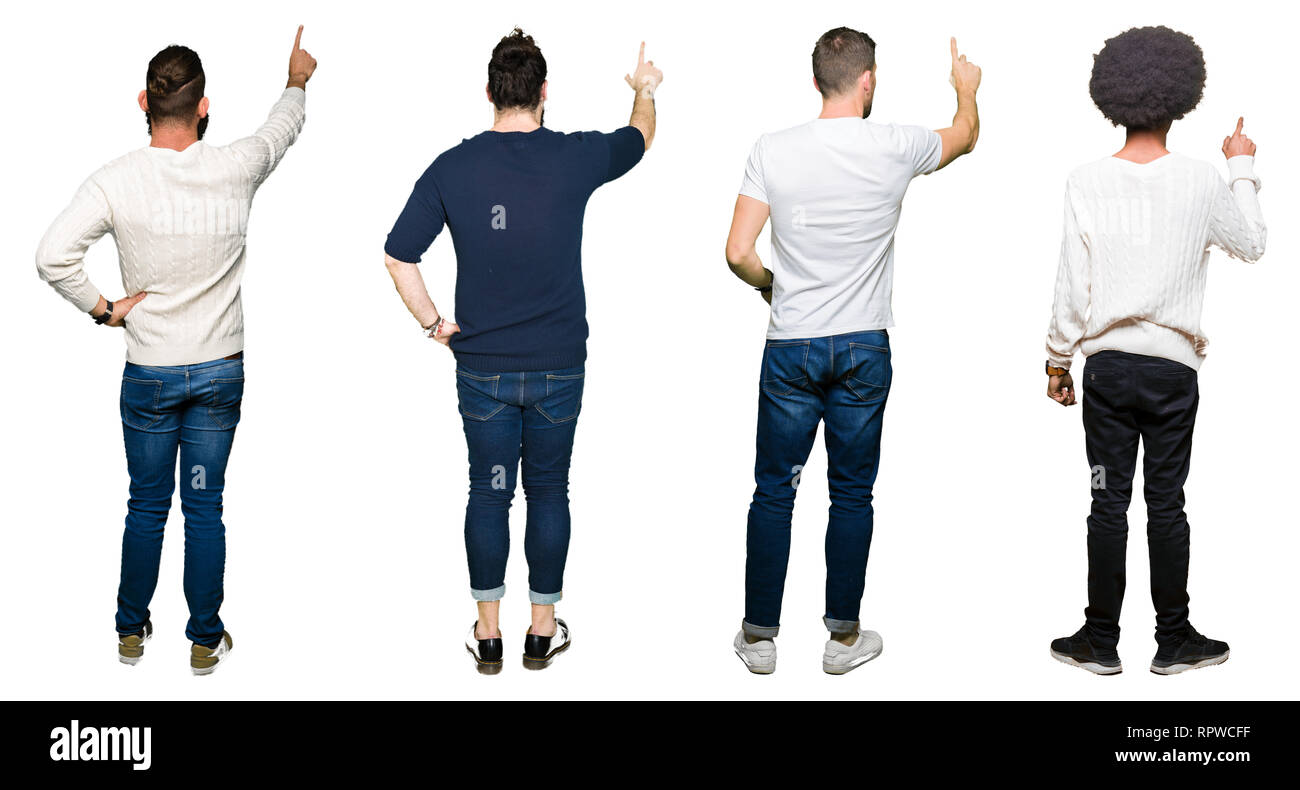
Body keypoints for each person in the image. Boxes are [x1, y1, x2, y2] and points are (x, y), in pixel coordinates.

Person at [35, 27, 317, 676]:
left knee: (146, 504)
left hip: (151, 377)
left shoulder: (115, 181)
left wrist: (104, 309)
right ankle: (203, 638)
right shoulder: (238, 164)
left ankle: (130, 633)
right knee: (204, 506)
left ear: (143, 102)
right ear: (205, 106)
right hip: (219, 373)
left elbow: (54, 254)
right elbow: (283, 127)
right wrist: (297, 78)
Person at [383, 29, 661, 673]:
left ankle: (488, 636)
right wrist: (644, 86)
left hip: (482, 370)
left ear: (489, 92)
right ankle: (541, 630)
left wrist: (434, 324)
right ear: (543, 92)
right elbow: (641, 137)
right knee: (548, 490)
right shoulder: (576, 157)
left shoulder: (452, 167)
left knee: (489, 492)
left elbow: (400, 255)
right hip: (559, 366)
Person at [725, 28, 981, 675]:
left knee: (774, 491)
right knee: (852, 494)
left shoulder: (772, 150)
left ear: (817, 81)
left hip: (791, 347)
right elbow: (964, 134)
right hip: (864, 347)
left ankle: (759, 638)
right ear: (867, 81)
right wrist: (966, 90)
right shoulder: (897, 145)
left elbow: (738, 252)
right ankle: (842, 641)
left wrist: (773, 288)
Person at [1043, 26, 1264, 676]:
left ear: (1111, 92)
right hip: (1173, 373)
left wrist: (1058, 360)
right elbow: (1252, 244)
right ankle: (1174, 640)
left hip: (1106, 373)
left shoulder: (1086, 180)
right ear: (1182, 93)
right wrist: (1243, 164)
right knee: (1166, 502)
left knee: (1106, 498)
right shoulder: (1200, 180)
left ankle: (1100, 639)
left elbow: (1069, 285)